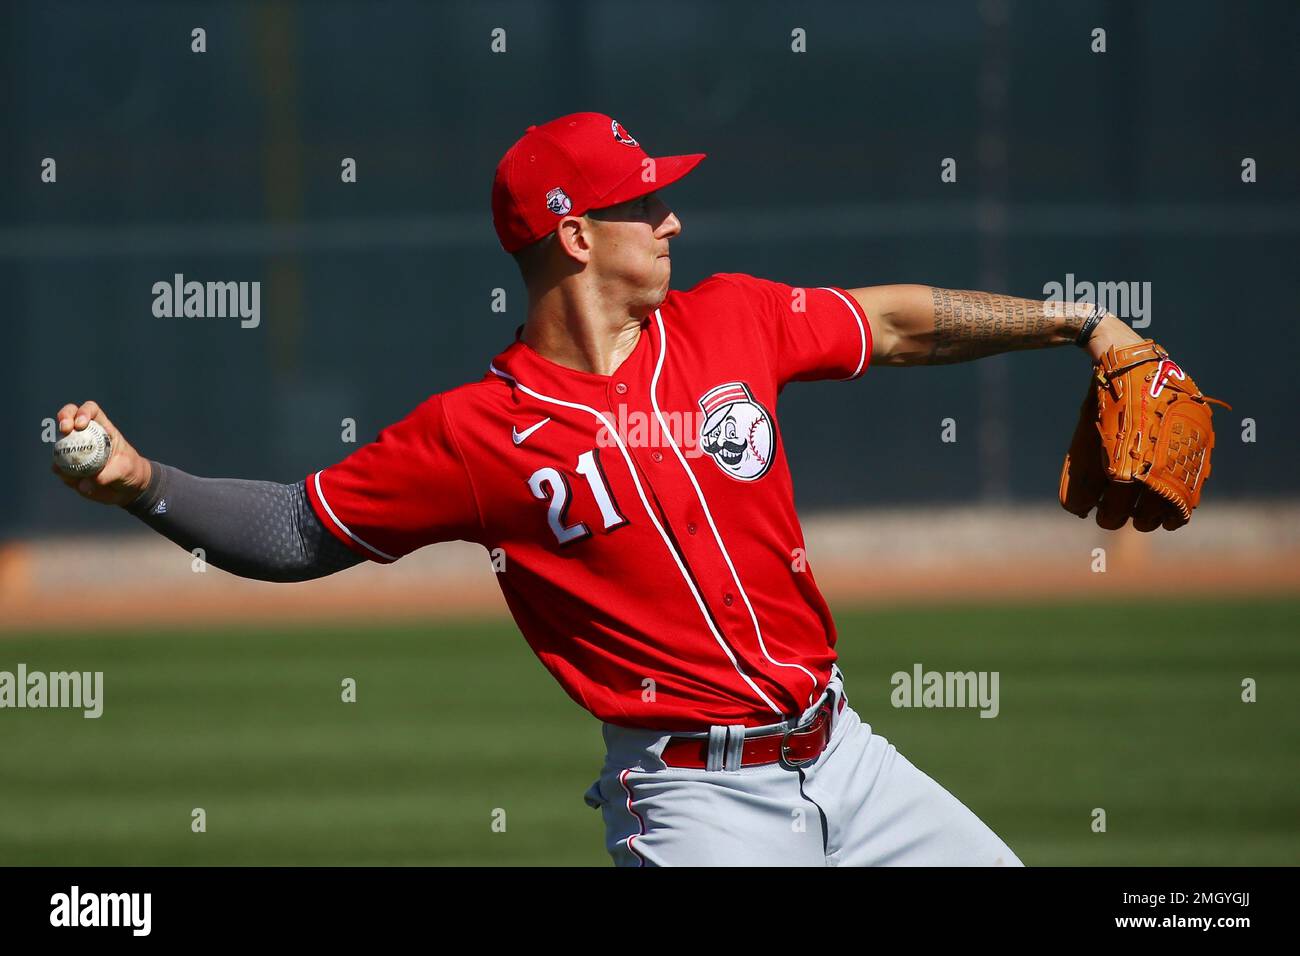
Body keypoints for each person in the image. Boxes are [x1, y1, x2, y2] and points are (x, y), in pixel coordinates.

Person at [53, 111, 1146, 866]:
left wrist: (1071, 322)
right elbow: (299, 525)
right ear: (573, 233)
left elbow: (896, 319)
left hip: (847, 751)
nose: (672, 217)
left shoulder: (732, 318)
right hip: (695, 801)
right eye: (646, 201)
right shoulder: (475, 434)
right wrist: (149, 483)